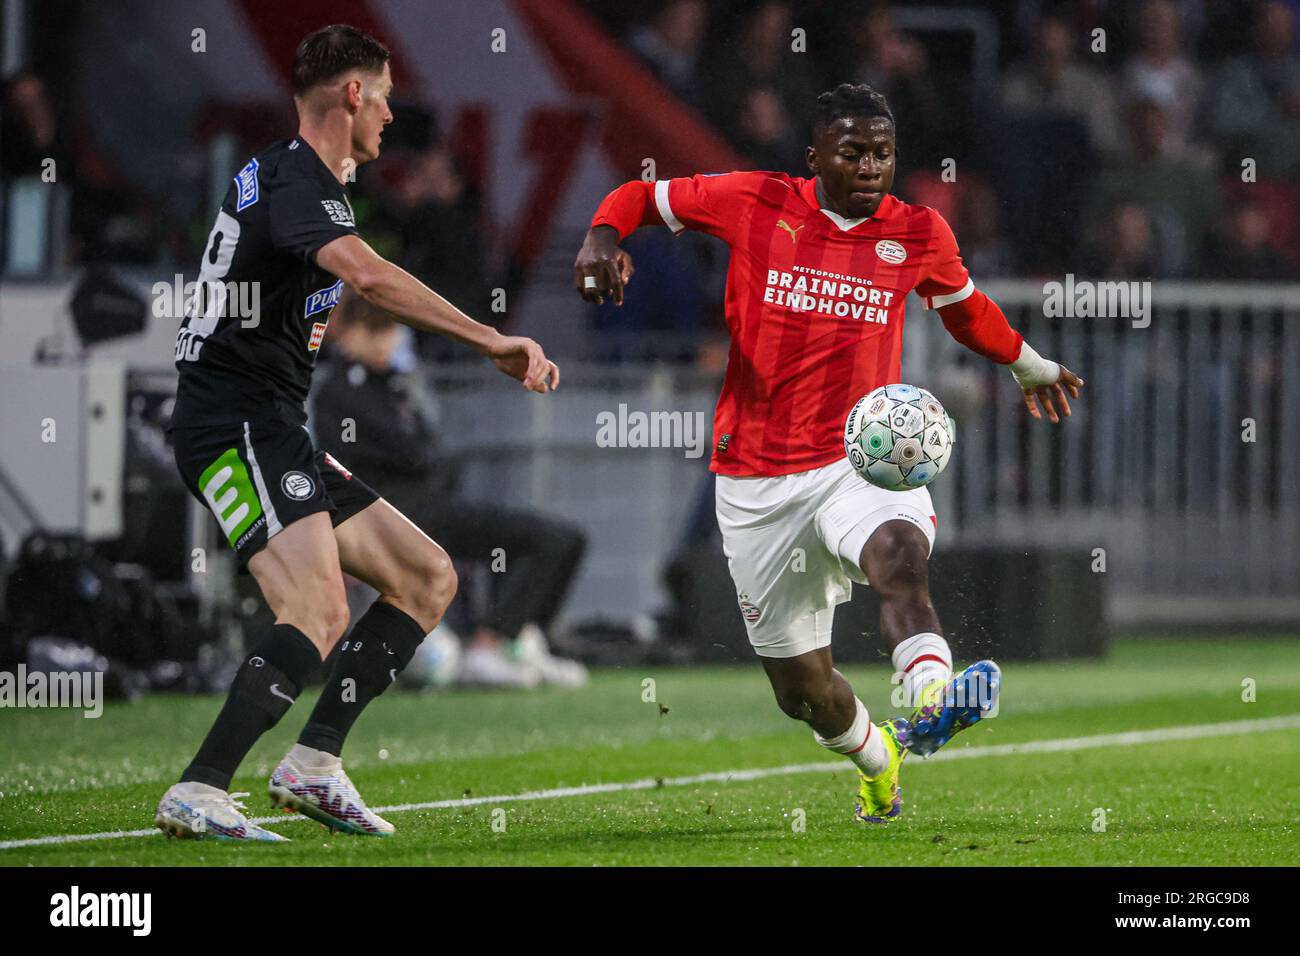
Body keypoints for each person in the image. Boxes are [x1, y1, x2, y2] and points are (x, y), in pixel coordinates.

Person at [573, 83, 1083, 823]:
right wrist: (601, 238)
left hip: (860, 454)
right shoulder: (755, 199)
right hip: (754, 476)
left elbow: (964, 306)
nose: (872, 165)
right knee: (802, 690)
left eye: (883, 152)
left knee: (900, 556)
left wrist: (1027, 362)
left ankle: (932, 696)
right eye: (854, 151)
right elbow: (640, 196)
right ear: (816, 157)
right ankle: (879, 758)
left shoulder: (917, 231)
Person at [158, 24, 559, 841]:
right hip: (232, 424)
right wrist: (494, 341)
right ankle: (199, 788)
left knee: (426, 576)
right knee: (315, 607)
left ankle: (313, 765)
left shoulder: (288, 178)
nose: (386, 117)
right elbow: (369, 275)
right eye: (380, 98)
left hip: (270, 424)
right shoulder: (298, 180)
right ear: (352, 94)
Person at [310, 303, 588, 688]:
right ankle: (489, 645)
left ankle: (515, 637)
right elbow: (406, 454)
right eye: (376, 330)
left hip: (428, 505)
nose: (387, 340)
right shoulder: (339, 391)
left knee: (558, 539)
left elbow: (426, 451)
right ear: (350, 334)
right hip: (390, 514)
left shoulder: (394, 385)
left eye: (389, 329)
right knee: (542, 539)